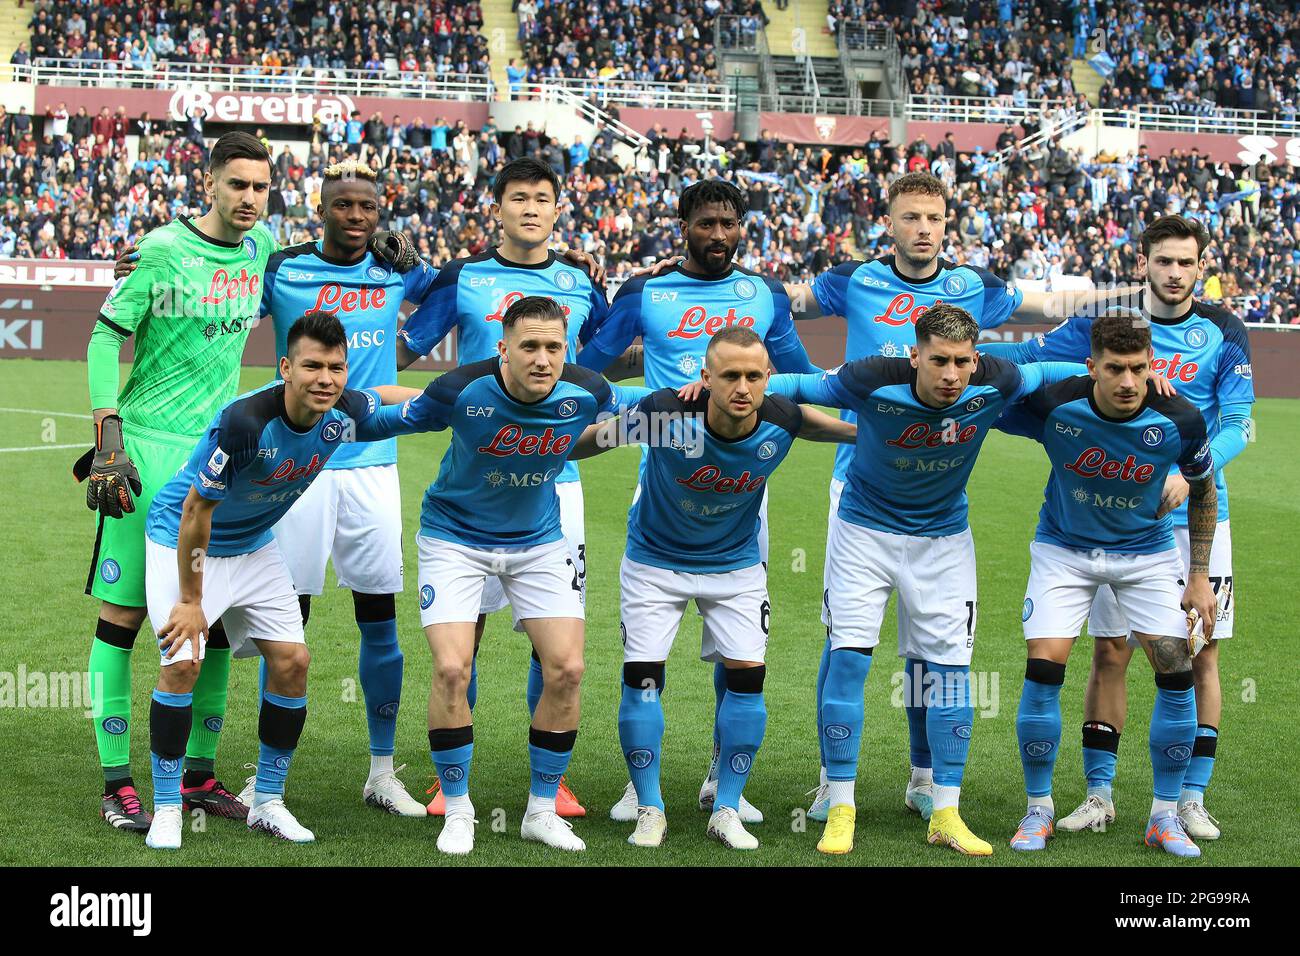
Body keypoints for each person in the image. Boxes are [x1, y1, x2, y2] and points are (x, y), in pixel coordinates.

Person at [781, 171, 1139, 826]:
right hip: (855, 484)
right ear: (887, 223)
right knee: (844, 644)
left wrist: (1111, 319)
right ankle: (833, 783)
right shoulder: (851, 280)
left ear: (948, 225)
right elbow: (786, 309)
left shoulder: (975, 288)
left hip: (939, 486)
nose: (923, 229)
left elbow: (1044, 315)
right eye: (910, 216)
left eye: (934, 218)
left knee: (932, 650)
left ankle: (925, 777)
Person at [767, 303, 1086, 856]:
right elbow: (791, 384)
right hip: (863, 535)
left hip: (945, 542)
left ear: (976, 359)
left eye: (962, 362)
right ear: (913, 355)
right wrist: (723, 382)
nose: (951, 375)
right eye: (938, 360)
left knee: (951, 675)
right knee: (848, 658)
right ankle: (840, 804)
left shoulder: (997, 381)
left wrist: (1126, 378)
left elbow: (1049, 370)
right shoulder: (868, 378)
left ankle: (946, 811)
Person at [981, 214, 1254, 841]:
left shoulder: (1224, 330)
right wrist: (966, 360)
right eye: (1165, 261)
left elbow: (1238, 421)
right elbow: (1028, 359)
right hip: (1108, 513)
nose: (1176, 273)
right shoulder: (1106, 323)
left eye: (1187, 263)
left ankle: (1187, 799)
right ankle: (1099, 795)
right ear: (1144, 263)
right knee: (1109, 652)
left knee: (1198, 653)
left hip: (1196, 513)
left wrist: (1191, 473)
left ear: (1201, 266)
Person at [576, 178, 819, 826]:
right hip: (664, 468)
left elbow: (796, 372)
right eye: (706, 222)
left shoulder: (764, 294)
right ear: (683, 224)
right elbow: (592, 368)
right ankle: (638, 787)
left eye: (729, 223)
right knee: (646, 653)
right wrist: (637, 407)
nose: (718, 234)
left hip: (740, 483)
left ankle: (720, 773)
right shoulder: (644, 293)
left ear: (742, 227)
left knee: (737, 643)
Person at [140, 312, 417, 849]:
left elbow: (379, 396)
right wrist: (193, 601)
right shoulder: (245, 423)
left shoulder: (339, 408)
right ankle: (170, 807)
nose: (325, 379)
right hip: (184, 539)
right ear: (286, 368)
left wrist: (457, 400)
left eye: (335, 368)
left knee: (293, 661)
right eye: (312, 366)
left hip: (253, 545)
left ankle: (267, 800)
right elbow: (197, 509)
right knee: (183, 662)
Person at [572, 327, 856, 850]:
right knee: (643, 681)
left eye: (754, 376)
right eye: (729, 376)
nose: (742, 387)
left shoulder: (781, 418)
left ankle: (726, 807)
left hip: (735, 567)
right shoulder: (666, 415)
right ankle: (649, 807)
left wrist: (873, 435)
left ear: (769, 378)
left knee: (748, 680)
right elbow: (598, 439)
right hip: (655, 563)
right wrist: (550, 448)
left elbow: (825, 429)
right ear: (705, 378)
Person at [388, 295, 648, 855]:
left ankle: (539, 809)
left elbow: (641, 407)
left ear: (567, 350)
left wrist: (698, 397)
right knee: (454, 668)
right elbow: (393, 411)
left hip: (537, 543)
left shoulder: (588, 393)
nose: (542, 358)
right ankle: (457, 810)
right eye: (528, 346)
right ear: (502, 349)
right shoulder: (461, 389)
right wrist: (331, 406)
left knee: (568, 669)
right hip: (455, 538)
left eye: (553, 347)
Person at [79, 132, 278, 834]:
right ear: (211, 183)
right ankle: (116, 784)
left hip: (218, 458)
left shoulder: (262, 247)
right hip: (150, 455)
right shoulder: (163, 251)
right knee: (125, 620)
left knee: (213, 623)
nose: (249, 198)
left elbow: (320, 262)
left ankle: (196, 777)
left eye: (260, 187)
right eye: (237, 185)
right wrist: (109, 434)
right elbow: (105, 336)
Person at [396, 157, 606, 818]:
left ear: (557, 208)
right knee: (468, 634)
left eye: (544, 198)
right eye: (519, 197)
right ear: (499, 207)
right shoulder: (464, 276)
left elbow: (599, 359)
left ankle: (553, 778)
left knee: (557, 645)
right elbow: (405, 349)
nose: (532, 209)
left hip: (558, 479)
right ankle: (449, 775)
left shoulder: (579, 282)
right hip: (476, 479)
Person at [242, 160, 442, 817]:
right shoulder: (284, 269)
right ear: (320, 209)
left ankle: (382, 771)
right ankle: (265, 776)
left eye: (367, 206)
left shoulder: (394, 267)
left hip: (372, 464)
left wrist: (406, 342)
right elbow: (219, 284)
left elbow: (454, 293)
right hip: (298, 467)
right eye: (343, 205)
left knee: (379, 621)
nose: (356, 216)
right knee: (287, 622)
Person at [996, 313, 1218, 858]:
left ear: (1152, 367)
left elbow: (1204, 490)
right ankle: (1039, 809)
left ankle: (1164, 816)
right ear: (1091, 367)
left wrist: (1198, 577)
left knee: (1176, 674)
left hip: (1146, 556)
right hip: (1063, 552)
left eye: (1138, 369)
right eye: (1114, 369)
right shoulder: (1056, 403)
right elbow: (990, 401)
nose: (1126, 382)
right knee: (1045, 670)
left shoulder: (1179, 418)